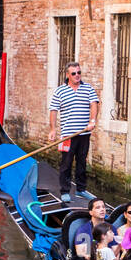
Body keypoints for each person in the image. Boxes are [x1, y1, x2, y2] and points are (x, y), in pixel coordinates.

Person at [47, 61, 99, 203]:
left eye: (79, 73)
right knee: (66, 163)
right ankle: (64, 190)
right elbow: (53, 110)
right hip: (68, 135)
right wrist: (53, 129)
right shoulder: (60, 91)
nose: (77, 75)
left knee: (82, 162)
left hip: (84, 134)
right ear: (67, 75)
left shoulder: (88, 88)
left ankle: (81, 189)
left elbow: (94, 104)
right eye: (74, 73)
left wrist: (92, 121)